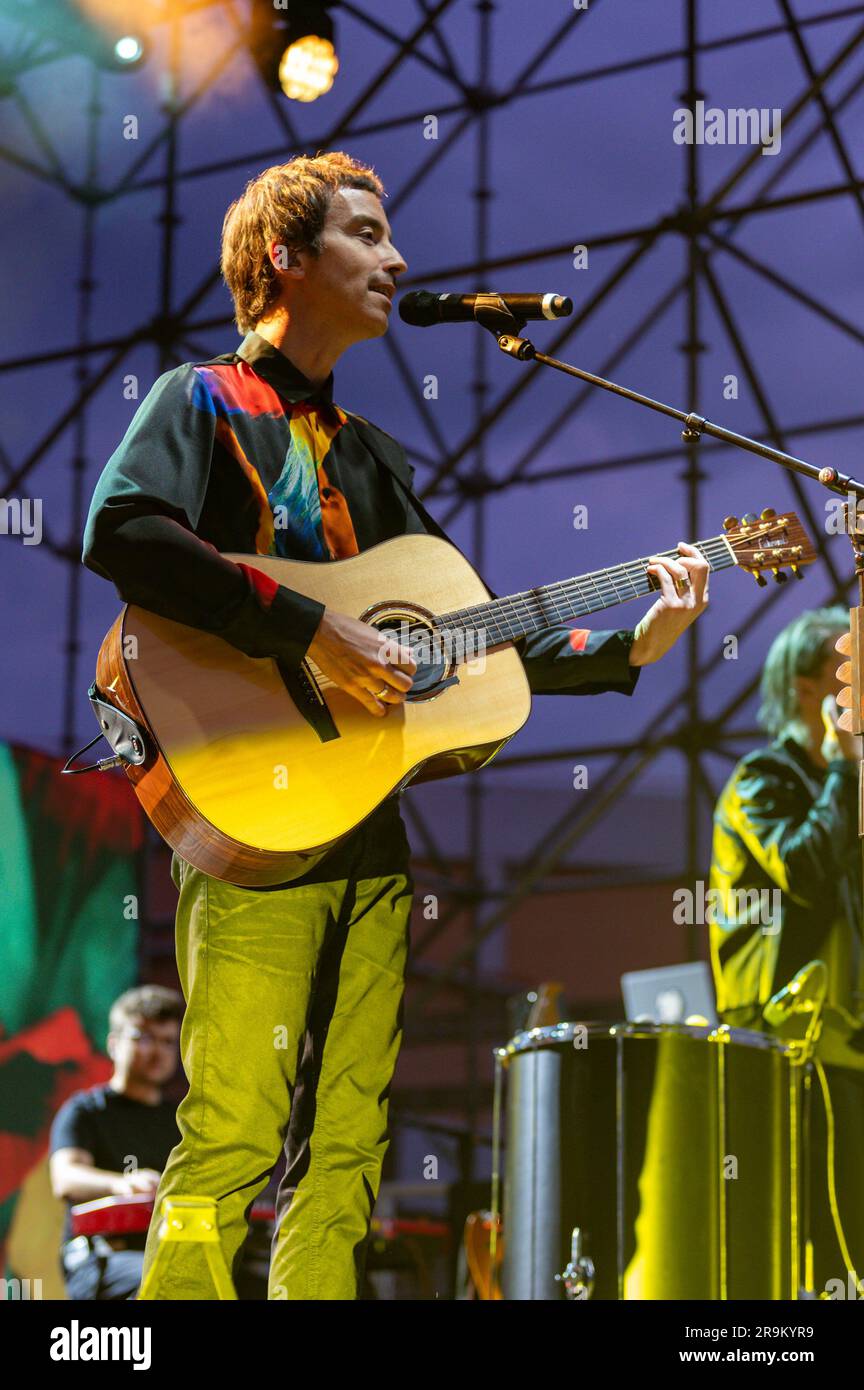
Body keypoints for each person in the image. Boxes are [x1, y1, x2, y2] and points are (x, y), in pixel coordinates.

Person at [82, 151, 709, 1300]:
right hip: (253, 809)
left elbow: (460, 635)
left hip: (365, 827)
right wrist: (307, 631)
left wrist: (628, 647)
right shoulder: (203, 400)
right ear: (286, 256)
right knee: (229, 1136)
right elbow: (123, 531)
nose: (399, 258)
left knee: (350, 1150)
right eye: (366, 233)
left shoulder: (373, 457)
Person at [709, 605, 864, 1291]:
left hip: (844, 1042)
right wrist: (843, 771)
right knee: (815, 1239)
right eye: (847, 672)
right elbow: (802, 872)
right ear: (806, 688)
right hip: (789, 1044)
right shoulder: (761, 780)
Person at [49, 986, 183, 1300]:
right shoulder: (85, 1111)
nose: (158, 1051)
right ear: (113, 1044)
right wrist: (123, 1184)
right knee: (167, 1278)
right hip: (97, 1257)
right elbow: (65, 1177)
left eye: (167, 1042)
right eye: (144, 1038)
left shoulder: (182, 1121)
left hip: (168, 1248)